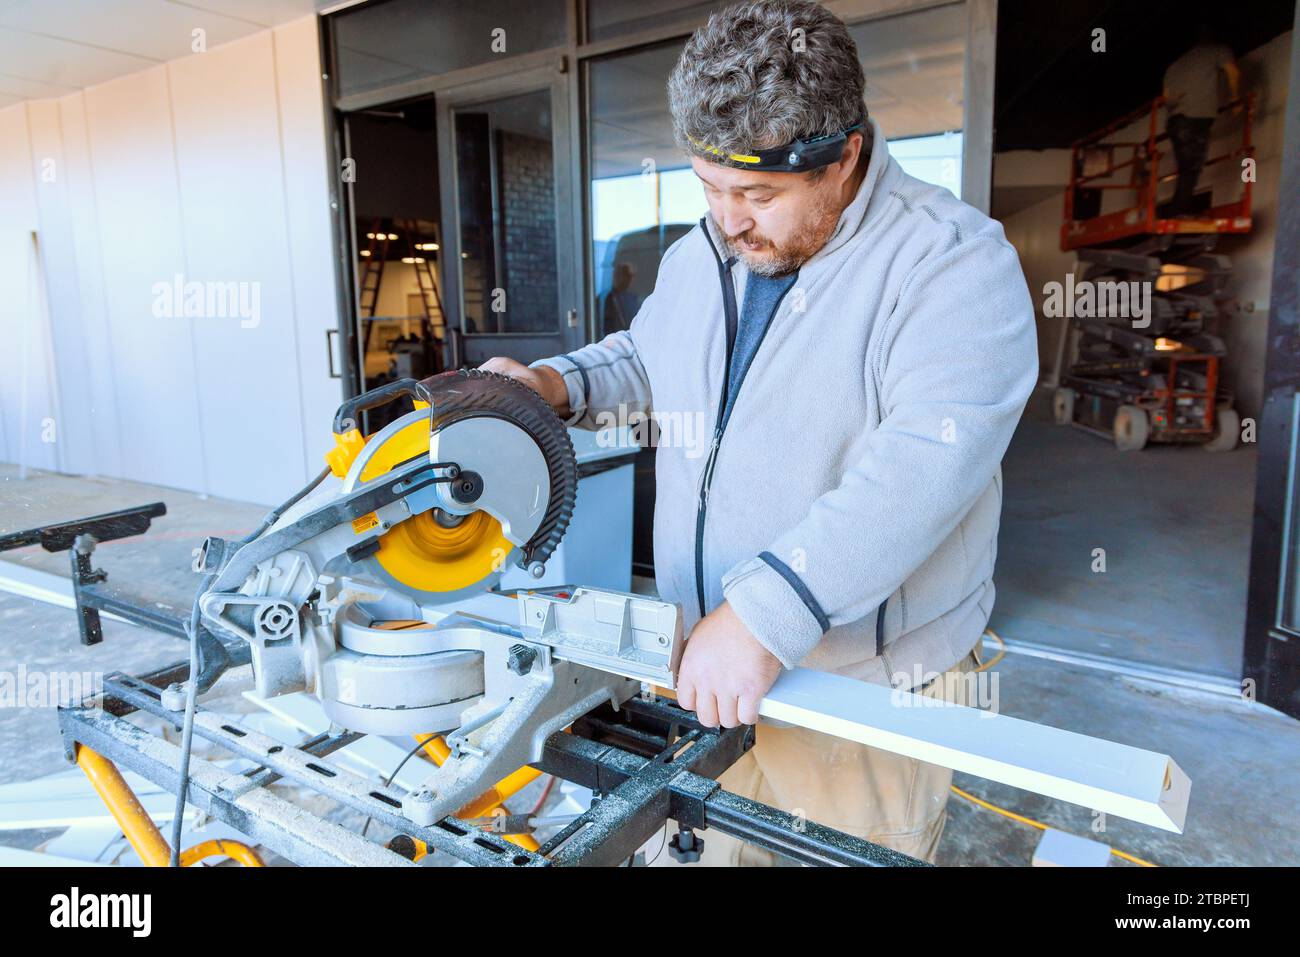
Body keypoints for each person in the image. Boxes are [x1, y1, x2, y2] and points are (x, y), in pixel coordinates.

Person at [483, 0, 1037, 864]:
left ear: (845, 155)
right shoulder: (702, 252)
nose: (728, 219)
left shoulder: (953, 261)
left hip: (860, 693)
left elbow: (927, 464)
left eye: (757, 193)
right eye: (709, 186)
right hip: (707, 668)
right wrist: (557, 384)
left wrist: (764, 613)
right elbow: (652, 353)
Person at [1161, 27, 1240, 217]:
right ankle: (1177, 213)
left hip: (1175, 122)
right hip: (1196, 119)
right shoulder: (1217, 51)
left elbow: (1166, 98)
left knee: (1186, 168)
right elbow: (1233, 73)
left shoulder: (1174, 66)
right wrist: (1235, 99)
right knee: (1192, 168)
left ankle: (1176, 211)